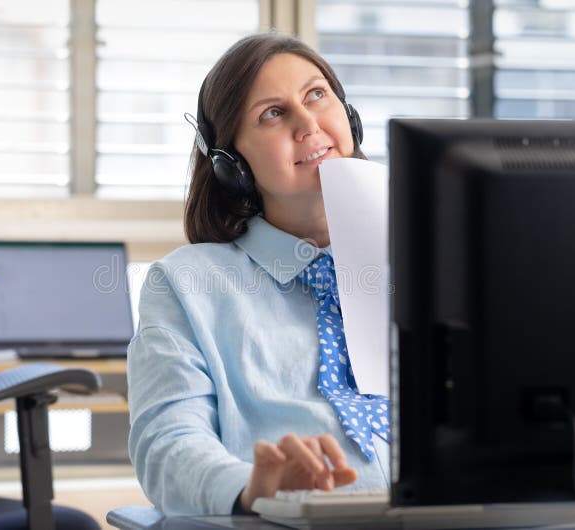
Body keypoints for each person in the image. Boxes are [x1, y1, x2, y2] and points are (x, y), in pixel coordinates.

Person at [127, 32, 390, 517]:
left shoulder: (431, 255)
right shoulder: (186, 285)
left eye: (316, 95)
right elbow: (166, 444)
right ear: (232, 164)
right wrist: (251, 487)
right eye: (273, 113)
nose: (308, 124)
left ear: (348, 116)